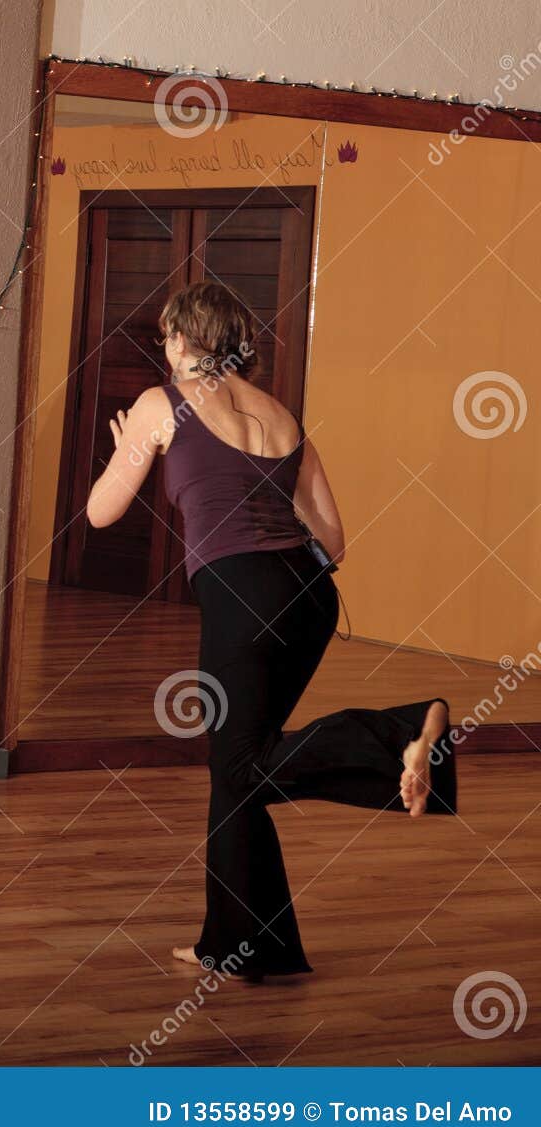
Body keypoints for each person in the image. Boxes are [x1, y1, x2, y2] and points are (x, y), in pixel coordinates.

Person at [85, 280, 457, 980]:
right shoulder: (281, 416)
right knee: (240, 769)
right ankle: (247, 944)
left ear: (186, 340)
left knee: (235, 764)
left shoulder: (159, 405)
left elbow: (101, 512)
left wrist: (129, 448)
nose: (164, 346)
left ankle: (406, 732)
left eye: (168, 334)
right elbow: (336, 540)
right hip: (309, 600)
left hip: (242, 596)